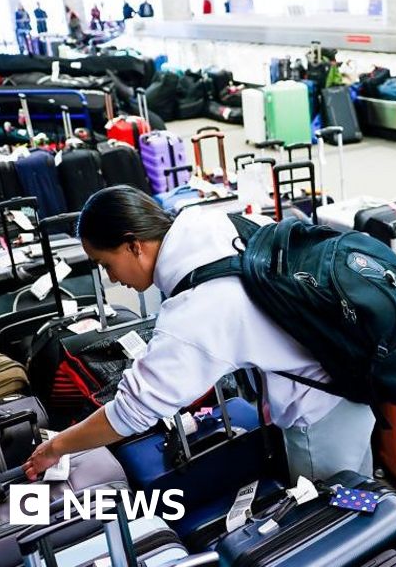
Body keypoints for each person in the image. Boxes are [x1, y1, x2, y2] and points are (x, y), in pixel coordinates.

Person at [22, 187, 376, 484]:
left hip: (318, 417)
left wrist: (55, 448)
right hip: (351, 377)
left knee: (339, 525)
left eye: (105, 264)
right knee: (366, 501)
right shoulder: (212, 222)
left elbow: (131, 413)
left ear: (133, 245)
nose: (112, 279)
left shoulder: (196, 310)